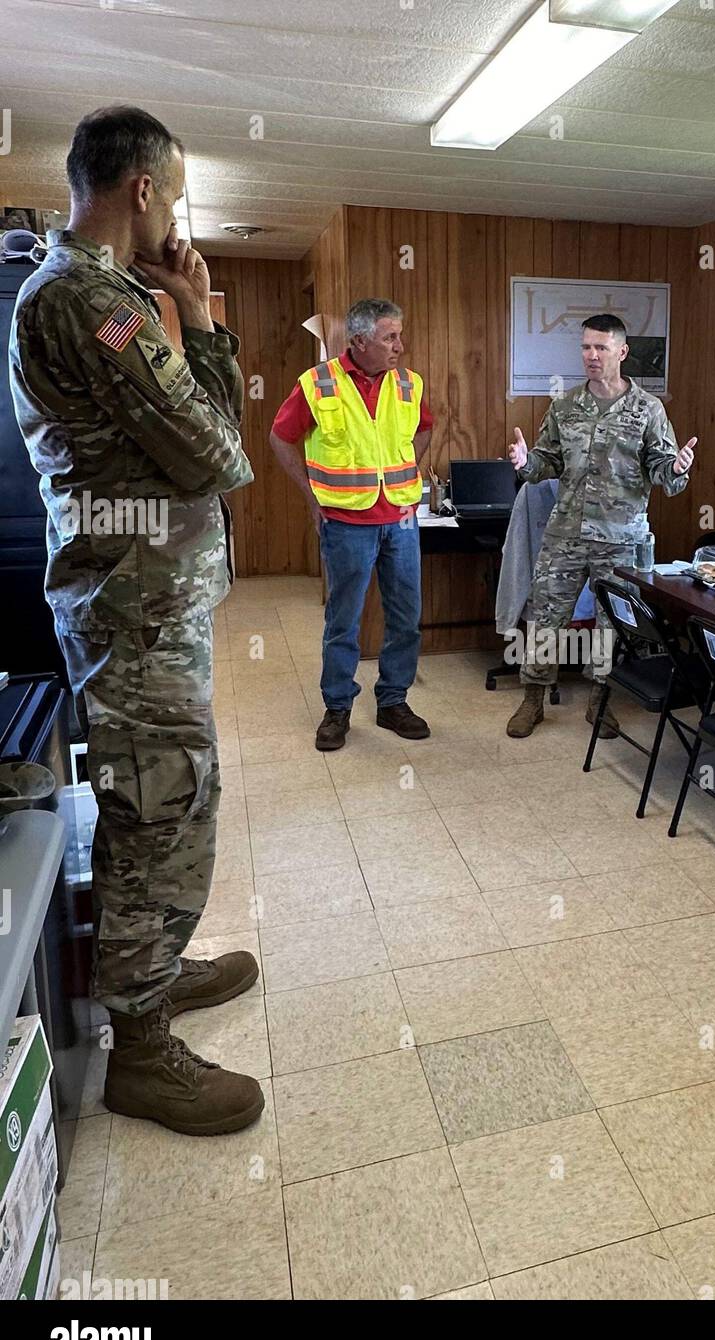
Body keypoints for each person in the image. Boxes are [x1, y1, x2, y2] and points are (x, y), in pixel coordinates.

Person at [8, 106, 263, 1135]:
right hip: (132, 606)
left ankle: (151, 970)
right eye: (176, 196)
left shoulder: (107, 297)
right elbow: (218, 454)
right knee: (157, 806)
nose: (177, 219)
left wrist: (192, 316)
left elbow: (209, 434)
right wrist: (191, 326)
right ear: (143, 189)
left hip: (149, 600)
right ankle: (143, 1049)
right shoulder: (91, 304)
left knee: (163, 797)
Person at [505, 313, 696, 738]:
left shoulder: (647, 409)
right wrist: (525, 462)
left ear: (622, 352)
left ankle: (600, 701)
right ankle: (532, 699)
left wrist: (677, 467)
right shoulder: (565, 406)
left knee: (614, 625)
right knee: (546, 617)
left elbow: (663, 472)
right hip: (566, 534)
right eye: (586, 347)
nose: (591, 356)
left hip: (621, 539)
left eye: (601, 348)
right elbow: (547, 462)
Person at [269, 299, 434, 749]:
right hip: (345, 522)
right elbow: (280, 439)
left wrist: (408, 469)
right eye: (390, 337)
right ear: (359, 341)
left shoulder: (409, 383)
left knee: (406, 618)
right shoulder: (318, 383)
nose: (400, 345)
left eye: (399, 335)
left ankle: (393, 702)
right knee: (343, 621)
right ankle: (338, 708)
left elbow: (425, 428)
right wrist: (311, 498)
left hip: (401, 519)